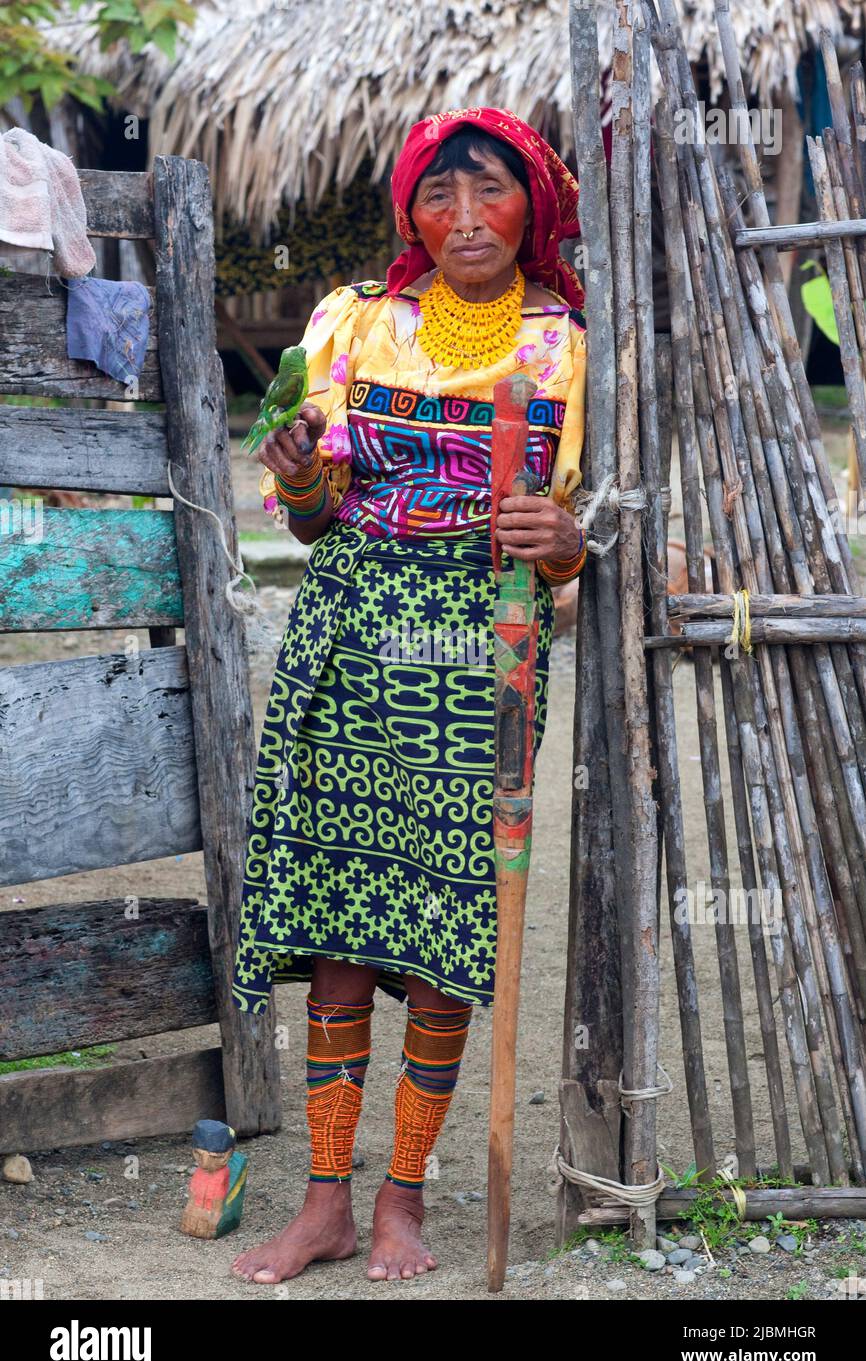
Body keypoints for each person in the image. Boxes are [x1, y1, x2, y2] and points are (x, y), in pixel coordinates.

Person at [230, 106, 588, 1285]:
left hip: (478, 655)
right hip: (349, 644)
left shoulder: (561, 345)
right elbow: (317, 505)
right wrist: (299, 481)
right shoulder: (353, 324)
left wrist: (561, 545)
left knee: (443, 926)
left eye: (488, 192)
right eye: (440, 197)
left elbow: (578, 533)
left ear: (530, 204)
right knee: (341, 916)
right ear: (410, 212)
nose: (464, 218)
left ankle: (404, 1198)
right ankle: (324, 1201)